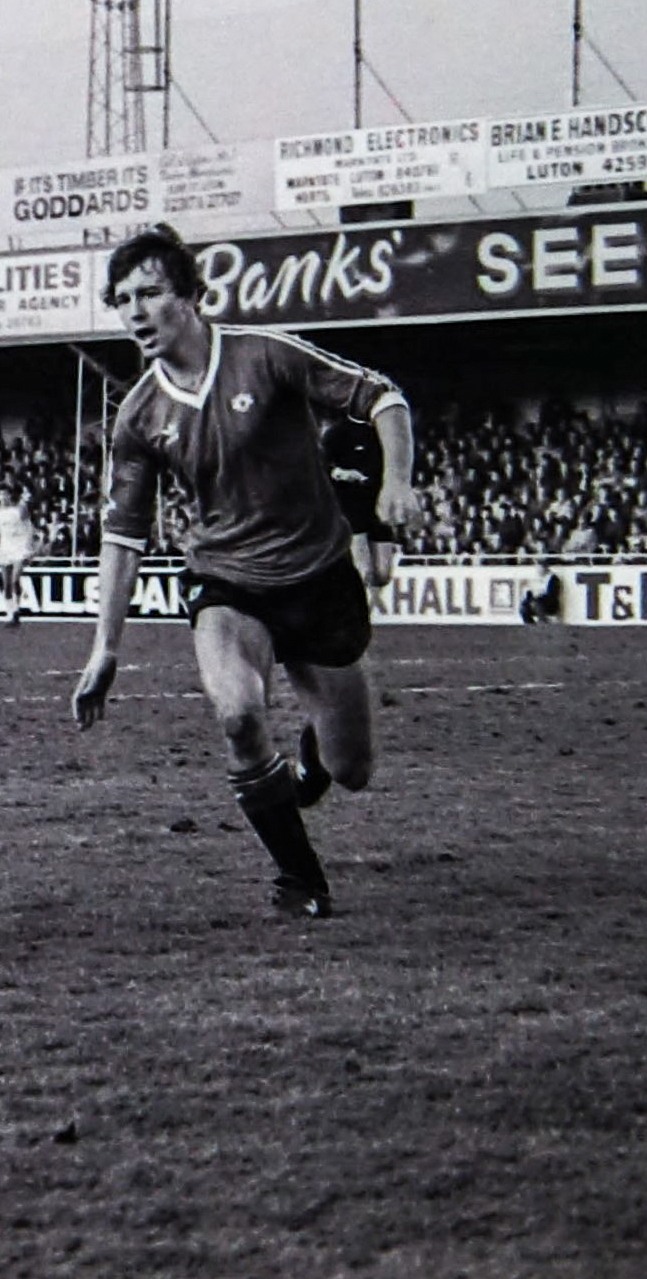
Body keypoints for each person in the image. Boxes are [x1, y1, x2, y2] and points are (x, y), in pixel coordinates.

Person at [70, 226, 416, 919]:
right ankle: (299, 878)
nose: (135, 311)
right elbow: (122, 535)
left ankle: (314, 755)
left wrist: (396, 483)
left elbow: (383, 398)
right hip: (226, 582)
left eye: (151, 293)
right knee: (235, 711)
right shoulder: (138, 415)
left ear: (194, 296)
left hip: (318, 576)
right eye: (122, 299)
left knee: (352, 770)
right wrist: (106, 644)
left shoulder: (267, 355)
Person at [320, 413, 401, 595]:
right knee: (363, 571)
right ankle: (362, 619)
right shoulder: (338, 432)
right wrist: (340, 473)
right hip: (352, 507)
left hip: (378, 507)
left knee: (383, 574)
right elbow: (319, 464)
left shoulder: (381, 432)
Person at [0, 483, 40, 625]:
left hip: (21, 547)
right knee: (6, 584)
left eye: (5, 494)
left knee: (15, 579)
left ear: (10, 495)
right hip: (5, 548)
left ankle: (17, 607)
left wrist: (32, 547)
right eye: (0, 494)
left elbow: (29, 524)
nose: (3, 497)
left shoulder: (19, 509)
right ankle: (12, 612)